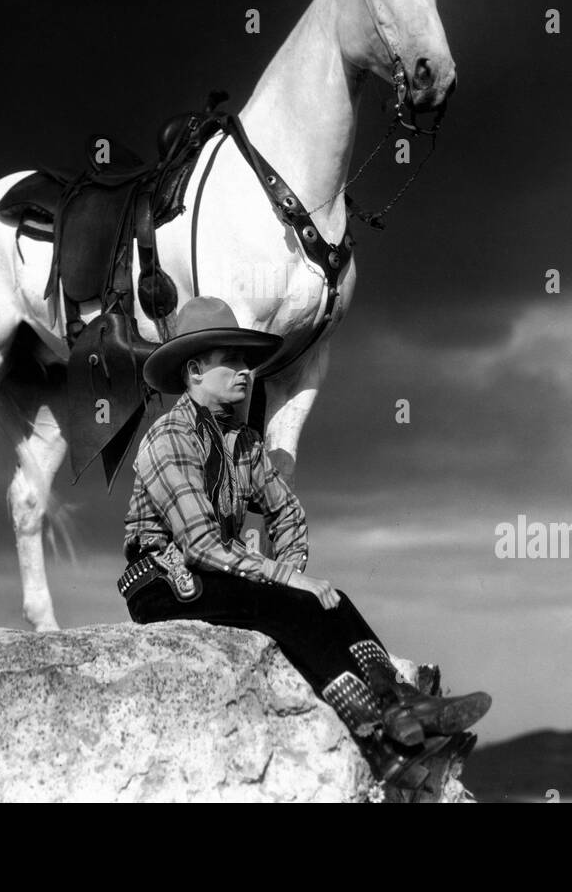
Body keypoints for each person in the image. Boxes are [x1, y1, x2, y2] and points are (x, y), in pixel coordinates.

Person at [119, 295, 491, 796]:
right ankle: (382, 746)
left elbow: (287, 512)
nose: (245, 371)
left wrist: (293, 577)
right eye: (229, 360)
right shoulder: (166, 440)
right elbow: (202, 544)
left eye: (247, 360)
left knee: (327, 600)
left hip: (212, 576)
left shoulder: (244, 444)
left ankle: (403, 704)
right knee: (290, 609)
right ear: (193, 372)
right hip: (165, 584)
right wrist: (286, 580)